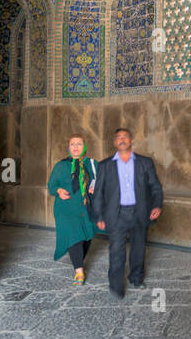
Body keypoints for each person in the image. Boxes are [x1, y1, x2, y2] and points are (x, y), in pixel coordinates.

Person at [92, 128, 163, 299]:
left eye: (125, 137)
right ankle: (116, 287)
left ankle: (136, 278)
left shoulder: (145, 163)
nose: (122, 140)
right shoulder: (105, 165)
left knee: (138, 248)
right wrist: (99, 216)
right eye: (118, 138)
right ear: (115, 143)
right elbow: (98, 193)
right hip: (116, 214)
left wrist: (157, 205)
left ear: (131, 141)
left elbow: (155, 186)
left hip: (139, 212)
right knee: (116, 250)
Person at [46, 135, 98, 284]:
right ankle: (79, 271)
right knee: (74, 236)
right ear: (69, 147)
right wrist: (59, 191)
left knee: (86, 238)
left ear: (85, 147)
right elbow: (51, 186)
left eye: (79, 144)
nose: (76, 147)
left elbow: (103, 181)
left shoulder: (92, 164)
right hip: (66, 208)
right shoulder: (61, 166)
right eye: (72, 144)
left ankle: (77, 260)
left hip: (86, 207)